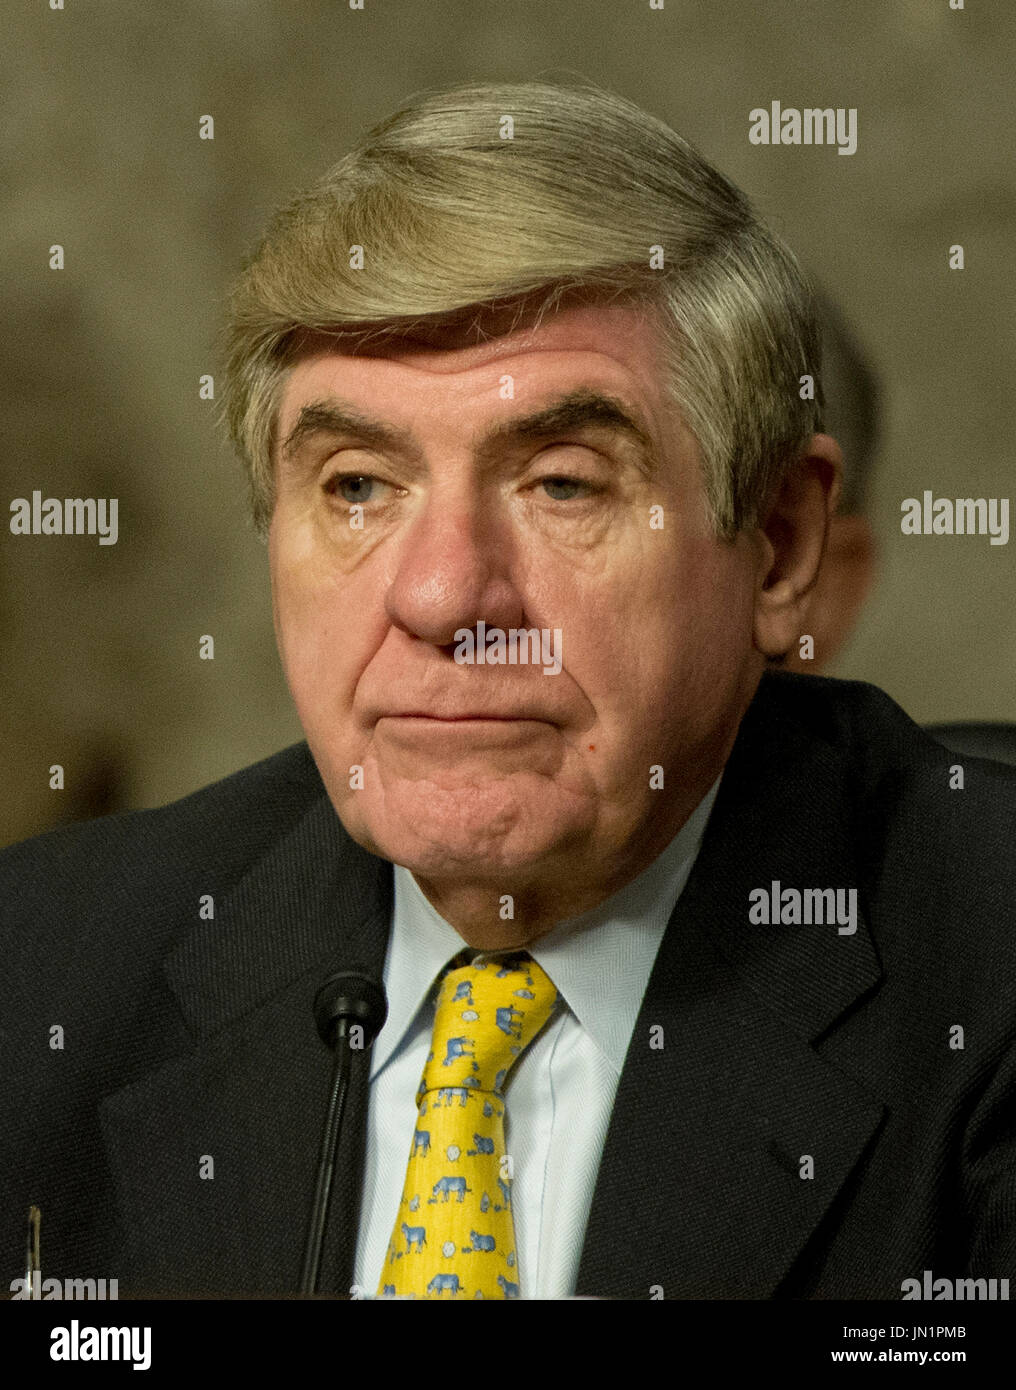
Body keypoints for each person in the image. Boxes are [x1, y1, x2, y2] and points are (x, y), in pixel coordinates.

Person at [2, 79, 1013, 1302]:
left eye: (562, 484)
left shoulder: (983, 963)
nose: (440, 599)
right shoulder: (40, 971)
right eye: (358, 487)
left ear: (783, 543)